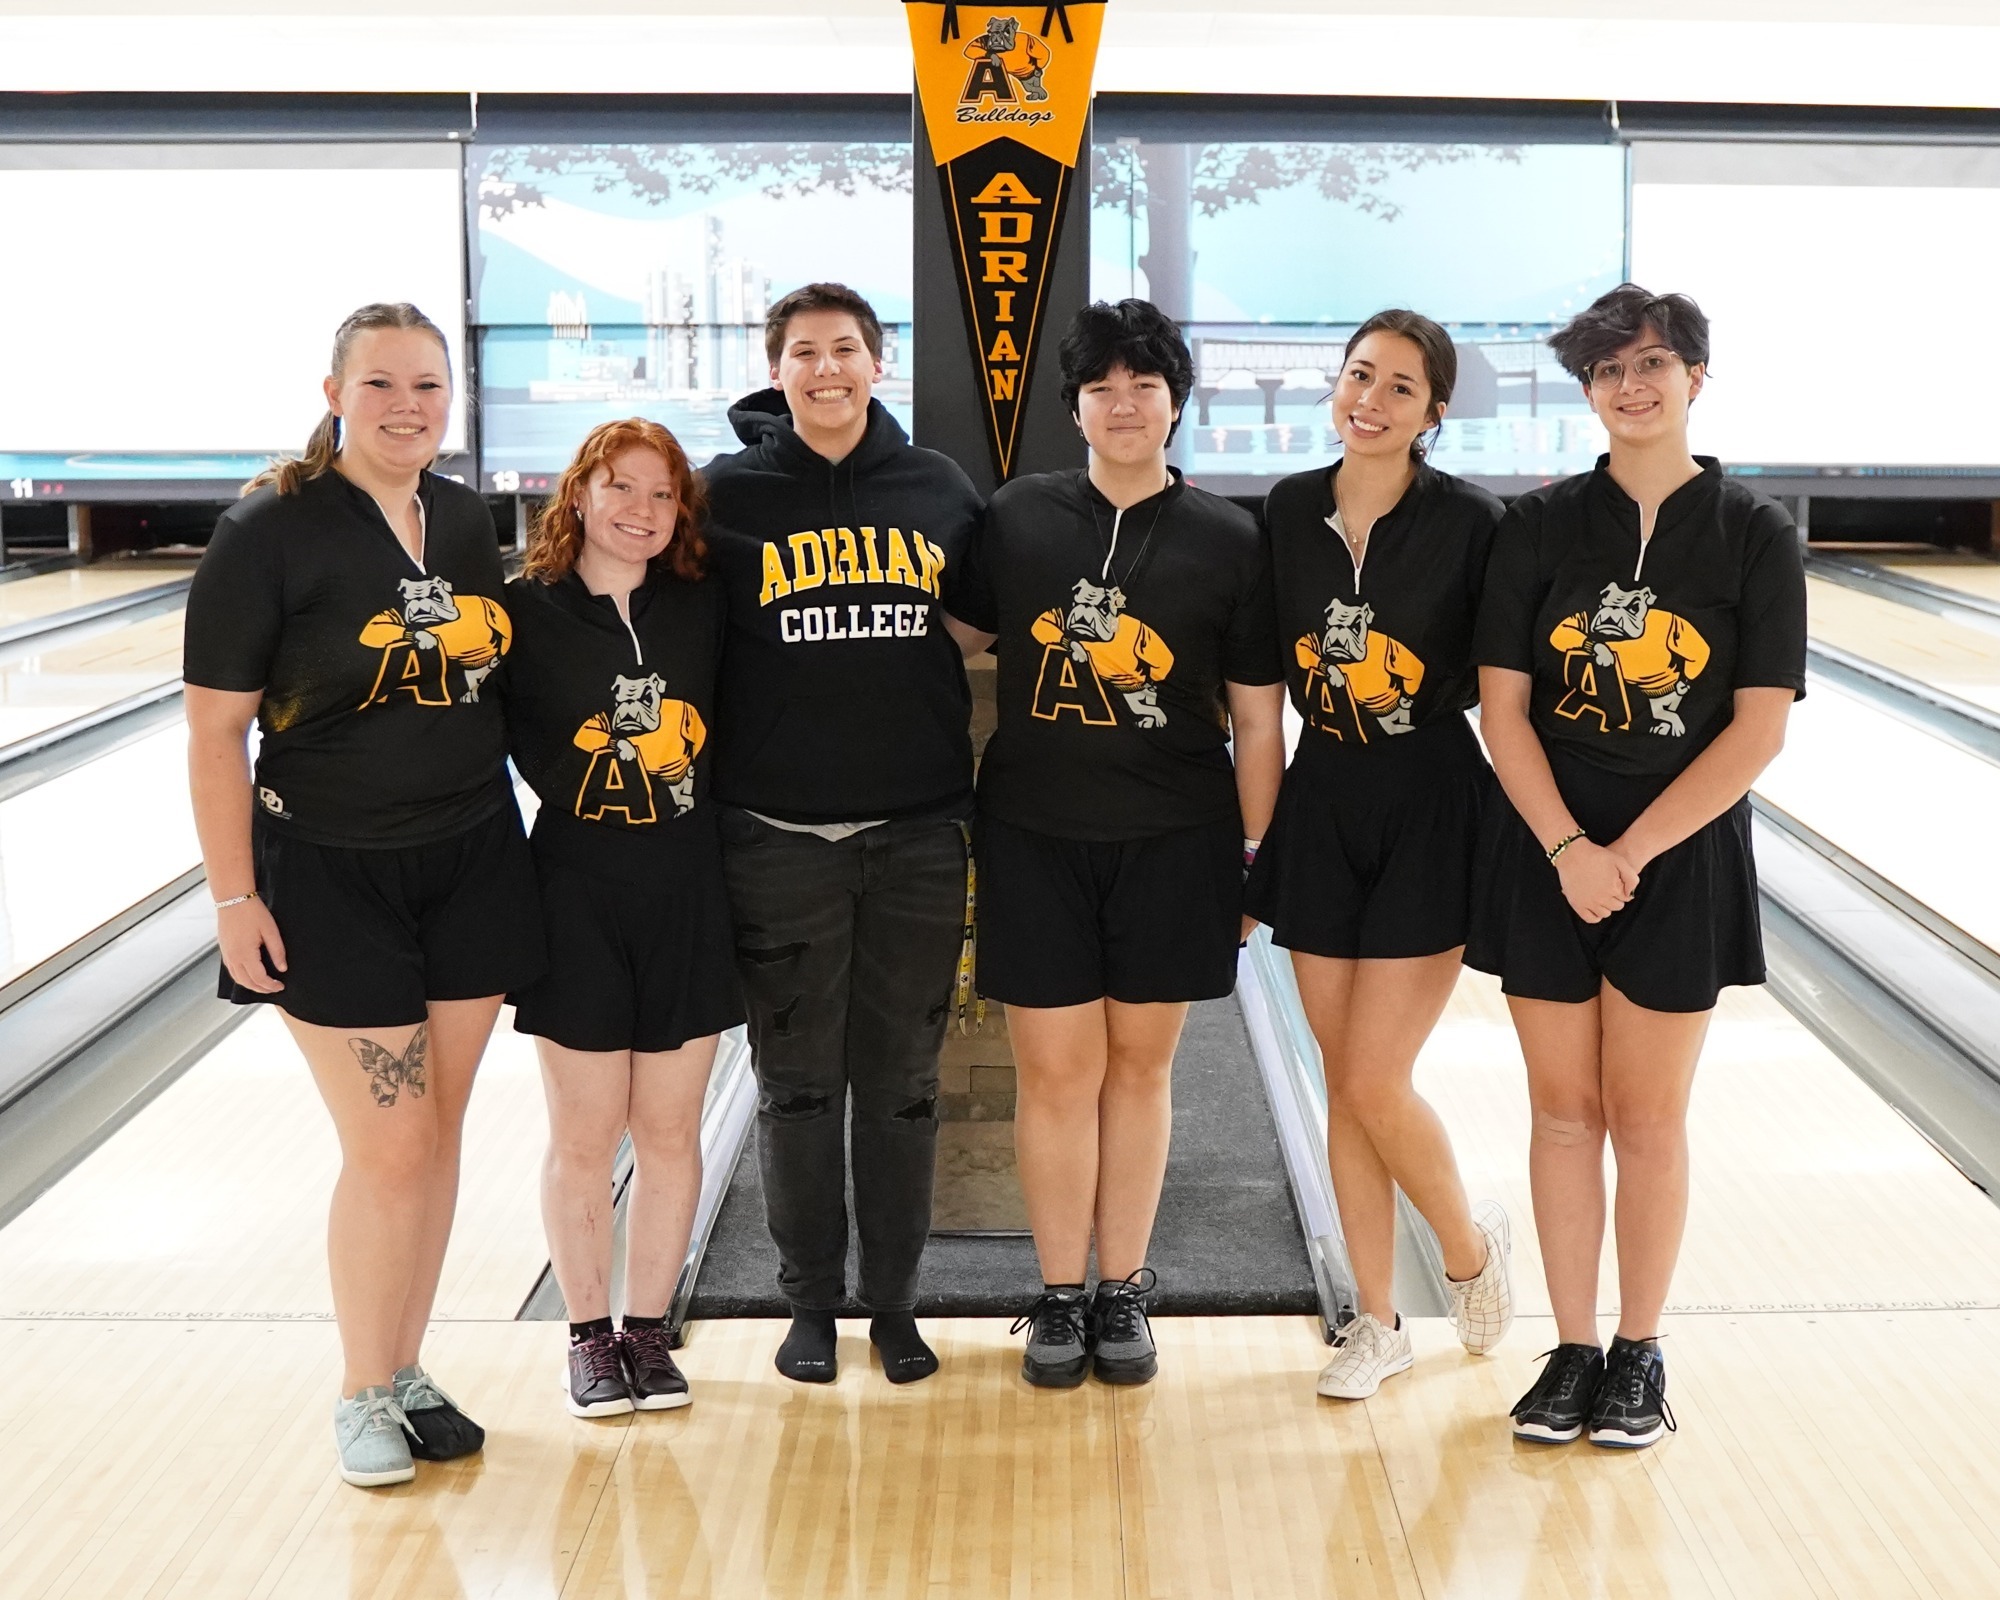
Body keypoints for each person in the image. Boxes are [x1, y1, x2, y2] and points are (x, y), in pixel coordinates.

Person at [184, 303, 544, 1487]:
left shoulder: (458, 517)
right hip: (330, 874)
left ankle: (404, 1368)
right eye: (382, 384)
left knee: (434, 1140)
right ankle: (357, 1387)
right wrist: (234, 901)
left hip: (472, 858)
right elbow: (214, 734)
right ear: (335, 391)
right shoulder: (266, 533)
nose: (408, 406)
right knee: (388, 1146)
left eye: (428, 386)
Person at [1470, 283, 1805, 1448]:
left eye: (1652, 364)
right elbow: (1500, 710)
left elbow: (1755, 728)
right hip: (1548, 850)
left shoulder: (1752, 532)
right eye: (1608, 370)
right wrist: (1568, 848)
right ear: (1587, 392)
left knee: (1645, 1116)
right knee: (1561, 1115)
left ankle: (1638, 1352)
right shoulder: (1539, 526)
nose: (1631, 385)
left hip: (1680, 852)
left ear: (1693, 379)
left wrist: (1627, 853)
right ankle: (1568, 1349)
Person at [948, 299, 1286, 1388]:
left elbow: (1255, 718)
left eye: (1145, 385)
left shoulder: (1230, 538)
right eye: (1103, 387)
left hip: (1174, 842)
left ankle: (1122, 1286)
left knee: (1139, 1071)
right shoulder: (1017, 515)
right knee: (1053, 1076)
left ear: (1175, 402)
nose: (1125, 404)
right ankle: (1055, 1294)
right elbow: (943, 644)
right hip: (1034, 837)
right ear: (1075, 406)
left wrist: (1253, 857)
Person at [702, 282, 985, 1385]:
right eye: (804, 353)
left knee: (903, 1078)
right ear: (776, 370)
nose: (826, 369)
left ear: (878, 364)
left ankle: (895, 1305)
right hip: (774, 839)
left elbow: (971, 617)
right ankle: (810, 1301)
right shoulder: (725, 494)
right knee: (796, 1084)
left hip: (916, 837)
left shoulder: (936, 487)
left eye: (846, 350)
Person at [1244, 310, 1515, 1401]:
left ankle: (1466, 1249)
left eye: (1400, 386)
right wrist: (1252, 844)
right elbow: (1259, 697)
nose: (1371, 398)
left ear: (1432, 412)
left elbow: (1500, 693)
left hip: (1430, 804)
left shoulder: (1471, 523)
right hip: (1322, 803)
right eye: (1359, 375)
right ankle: (1374, 1320)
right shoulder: (1285, 511)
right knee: (1341, 1090)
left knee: (1368, 1073)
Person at [502, 418, 740, 1417]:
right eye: (619, 487)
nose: (639, 510)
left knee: (671, 1126)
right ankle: (586, 1336)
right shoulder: (522, 608)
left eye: (660, 493)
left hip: (687, 889)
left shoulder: (703, 602)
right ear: (579, 492)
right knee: (586, 1131)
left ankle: (649, 1329)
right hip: (574, 892)